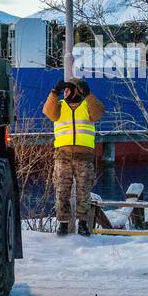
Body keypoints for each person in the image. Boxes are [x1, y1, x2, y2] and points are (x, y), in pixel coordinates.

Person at [43, 78, 104, 236]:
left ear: (78, 90)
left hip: (84, 156)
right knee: (62, 190)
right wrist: (54, 93)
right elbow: (48, 112)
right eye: (65, 90)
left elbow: (98, 113)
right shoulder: (59, 105)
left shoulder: (86, 105)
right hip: (63, 155)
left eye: (69, 89)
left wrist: (88, 94)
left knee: (84, 190)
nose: (66, 92)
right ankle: (63, 223)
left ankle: (83, 223)